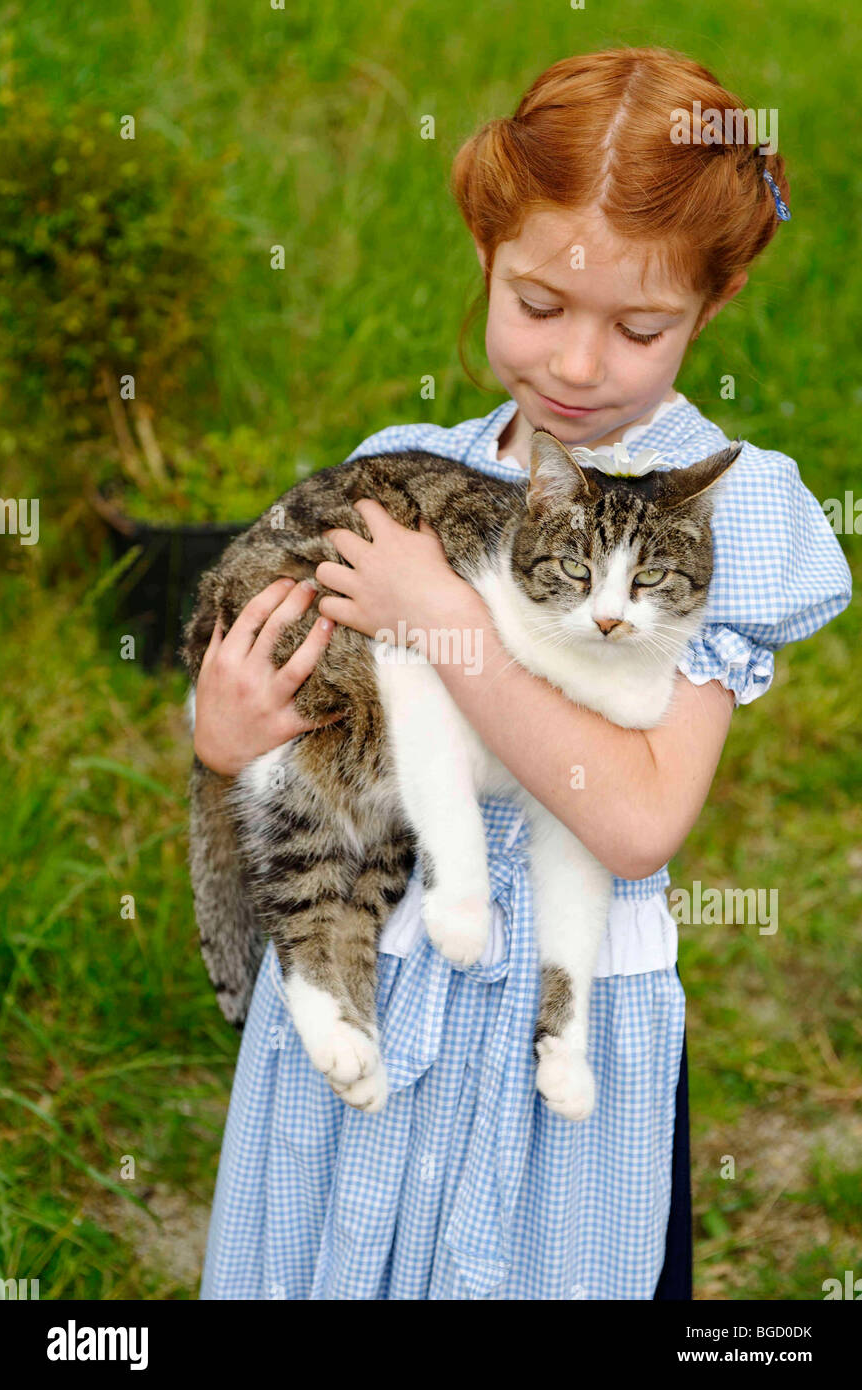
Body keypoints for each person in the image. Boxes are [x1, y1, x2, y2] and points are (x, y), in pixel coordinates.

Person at [193, 47, 851, 1299]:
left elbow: (636, 819)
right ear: (486, 254)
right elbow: (309, 726)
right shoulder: (402, 467)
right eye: (539, 305)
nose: (578, 366)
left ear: (707, 312)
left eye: (638, 327)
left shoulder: (723, 506)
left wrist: (446, 617)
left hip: (556, 1022)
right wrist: (233, 738)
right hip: (363, 970)